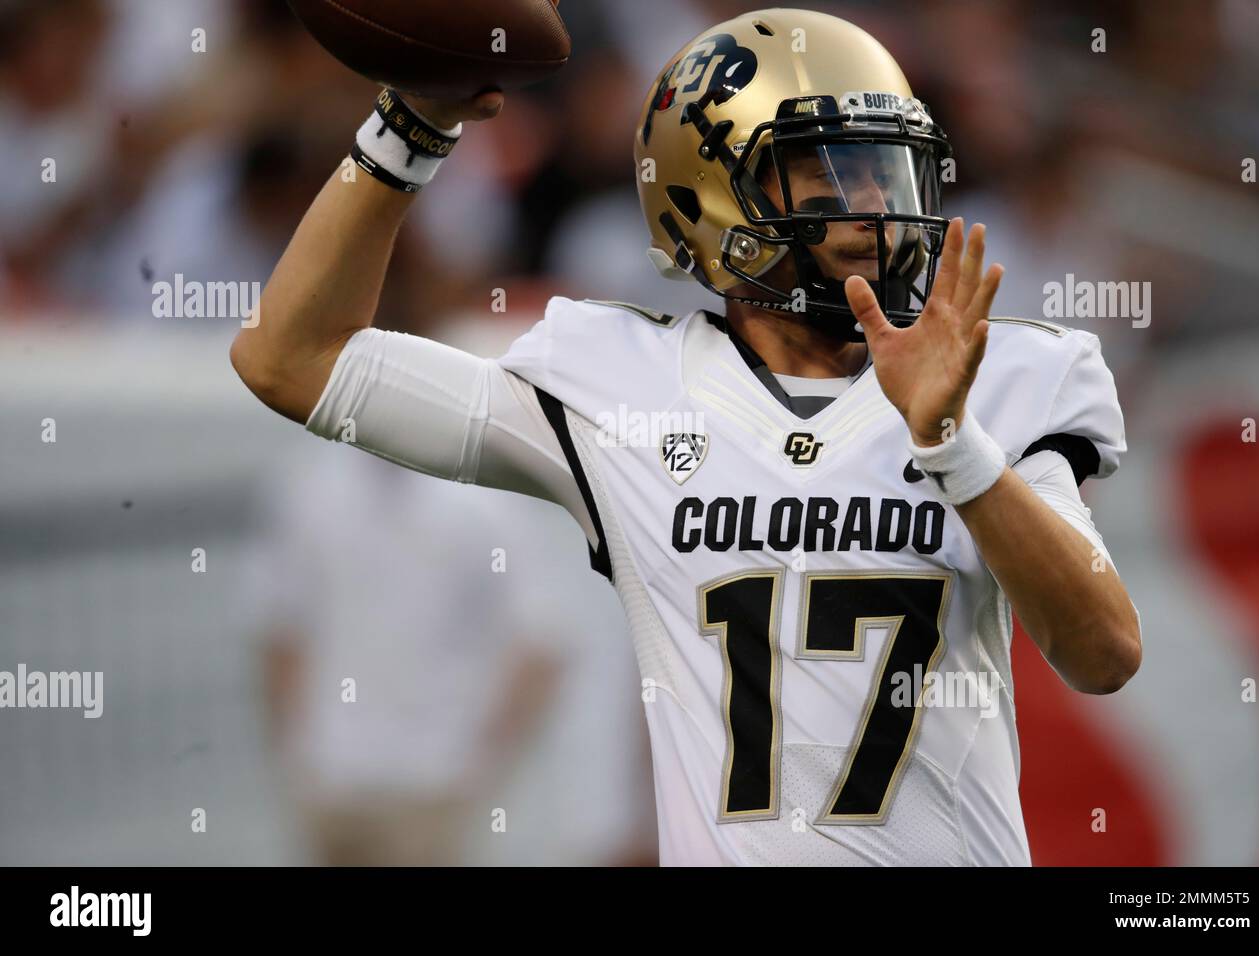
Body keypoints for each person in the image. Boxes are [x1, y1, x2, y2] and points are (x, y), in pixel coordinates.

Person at [230, 8, 1142, 866]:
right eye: (830, 174)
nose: (872, 206)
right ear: (711, 199)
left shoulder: (1011, 376)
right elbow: (292, 359)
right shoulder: (616, 384)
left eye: (886, 170)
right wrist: (411, 126)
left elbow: (1104, 652)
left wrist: (954, 447)